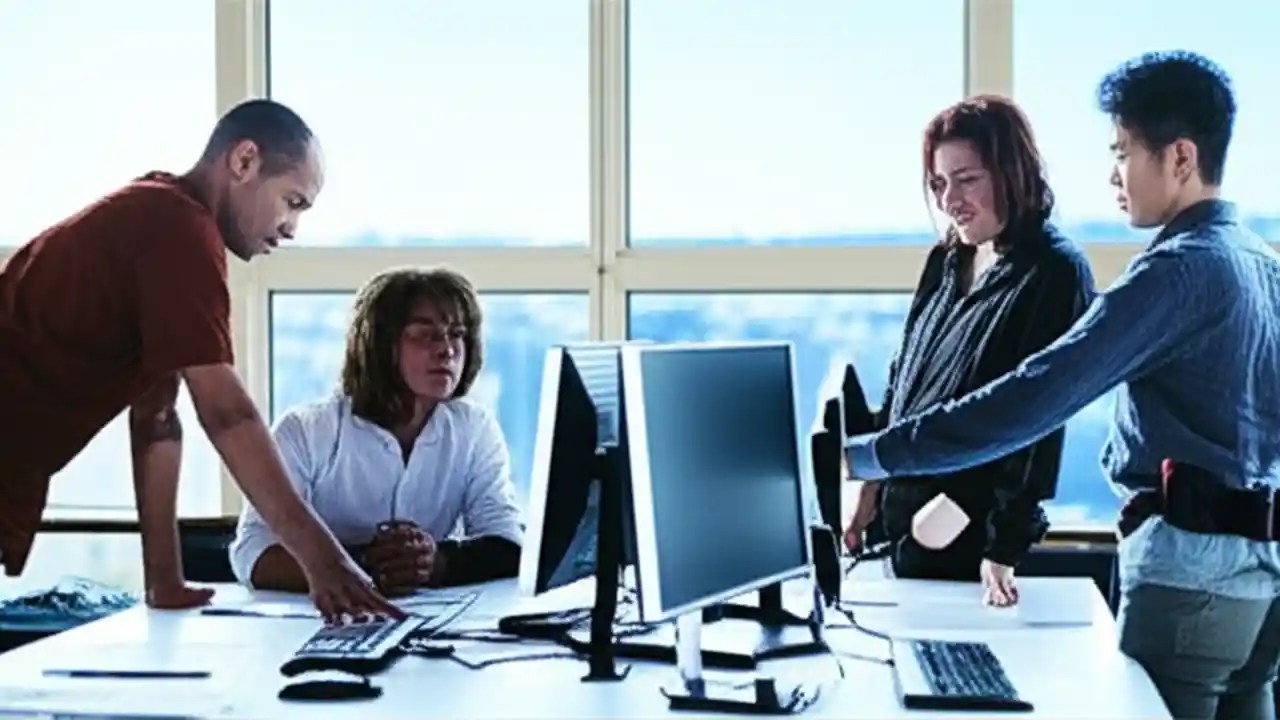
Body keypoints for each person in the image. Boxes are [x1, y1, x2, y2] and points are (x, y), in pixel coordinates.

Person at [844, 50, 1280, 720]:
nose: (1113, 174)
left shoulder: (1177, 272)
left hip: (1189, 582)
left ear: (1181, 158)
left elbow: (1034, 396)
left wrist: (867, 456)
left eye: (1124, 151)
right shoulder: (1260, 263)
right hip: (1259, 580)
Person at [0, 99, 399, 622]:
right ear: (244, 162)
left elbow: (157, 420)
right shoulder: (177, 227)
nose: (292, 228)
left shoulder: (163, 220)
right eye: (293, 201)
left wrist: (164, 580)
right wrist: (323, 561)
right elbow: (228, 414)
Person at [841, 95, 1095, 606]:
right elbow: (904, 377)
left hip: (967, 540)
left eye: (967, 179)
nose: (949, 199)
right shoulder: (946, 259)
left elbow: (1037, 424)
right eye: (939, 183)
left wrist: (1003, 543)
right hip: (895, 527)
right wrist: (869, 481)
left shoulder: (1054, 271)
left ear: (1011, 172)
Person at [229, 267, 523, 595]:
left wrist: (435, 562)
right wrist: (366, 567)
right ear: (380, 345)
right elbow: (253, 554)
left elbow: (508, 542)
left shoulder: (474, 430)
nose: (447, 350)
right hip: (318, 624)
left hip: (428, 624)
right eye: (424, 334)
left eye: (456, 333)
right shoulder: (306, 432)